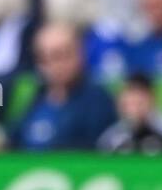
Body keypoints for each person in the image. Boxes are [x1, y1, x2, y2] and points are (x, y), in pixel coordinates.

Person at [10, 22, 116, 150]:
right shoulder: (35, 97)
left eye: (59, 55)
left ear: (79, 53)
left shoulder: (98, 102)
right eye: (43, 58)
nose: (52, 65)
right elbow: (13, 140)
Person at [97, 73, 162, 153]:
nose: (134, 111)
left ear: (152, 101)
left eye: (139, 103)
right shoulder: (111, 138)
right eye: (128, 105)